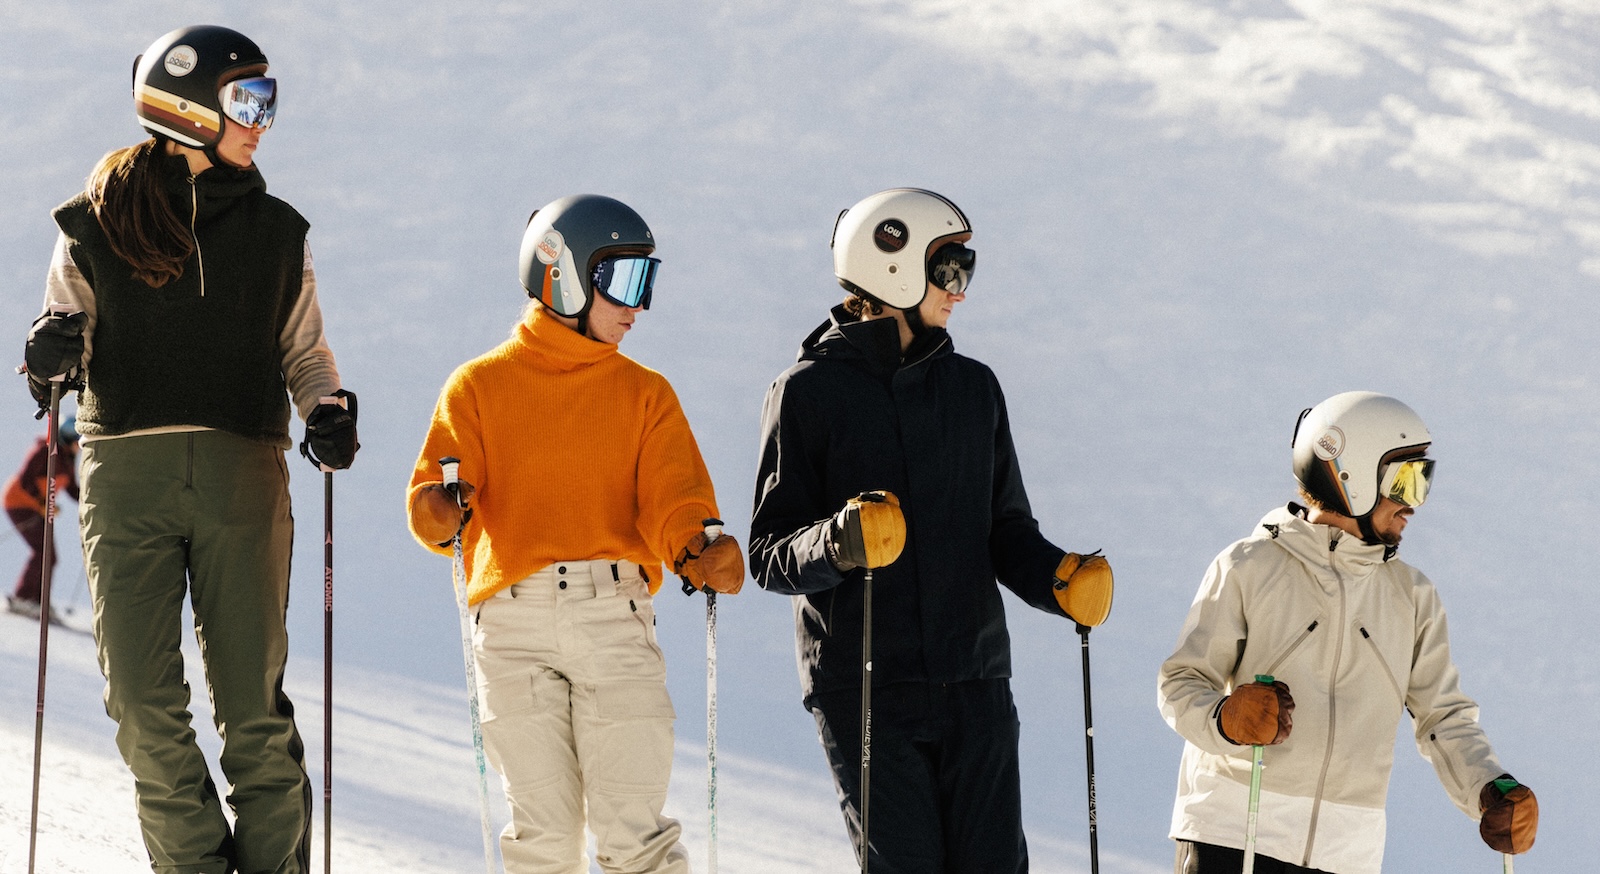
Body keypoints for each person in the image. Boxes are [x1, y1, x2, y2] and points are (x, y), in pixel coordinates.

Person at [20, 25, 359, 874]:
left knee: (252, 713)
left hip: (244, 476)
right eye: (247, 100)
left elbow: (306, 355)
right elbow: (51, 357)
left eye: (267, 100)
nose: (262, 119)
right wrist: (47, 357)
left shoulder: (278, 232)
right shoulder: (93, 222)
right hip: (125, 475)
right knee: (139, 705)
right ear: (185, 107)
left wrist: (326, 410)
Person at [748, 187, 1115, 872]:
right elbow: (768, 553)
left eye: (964, 271)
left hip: (974, 681)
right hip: (866, 691)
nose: (961, 291)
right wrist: (839, 540)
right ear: (895, 268)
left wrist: (1057, 579)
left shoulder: (974, 390)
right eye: (951, 271)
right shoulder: (807, 392)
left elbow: (1005, 529)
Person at [406, 193, 744, 874]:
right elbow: (433, 498)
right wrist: (441, 511)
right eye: (621, 281)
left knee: (634, 840)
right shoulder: (481, 385)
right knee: (544, 842)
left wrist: (698, 550)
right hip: (513, 625)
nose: (636, 305)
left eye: (647, 282)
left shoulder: (645, 394)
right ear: (562, 274)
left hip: (612, 616)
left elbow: (675, 499)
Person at [1157, 391, 1539, 874]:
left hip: (1346, 854)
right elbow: (1180, 683)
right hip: (1235, 835)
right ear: (1351, 475)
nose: (1414, 504)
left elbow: (1444, 719)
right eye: (1407, 481)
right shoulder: (1248, 567)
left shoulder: (1412, 597)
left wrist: (1489, 788)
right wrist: (1225, 717)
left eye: (1423, 481)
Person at [4, 416, 80, 620]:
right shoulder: (44, 452)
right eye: (77, 442)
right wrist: (42, 502)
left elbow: (73, 490)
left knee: (50, 556)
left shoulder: (67, 461)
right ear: (66, 439)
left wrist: (92, 500)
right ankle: (22, 598)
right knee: (42, 551)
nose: (80, 448)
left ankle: (38, 602)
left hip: (38, 509)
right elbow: (25, 479)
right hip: (18, 503)